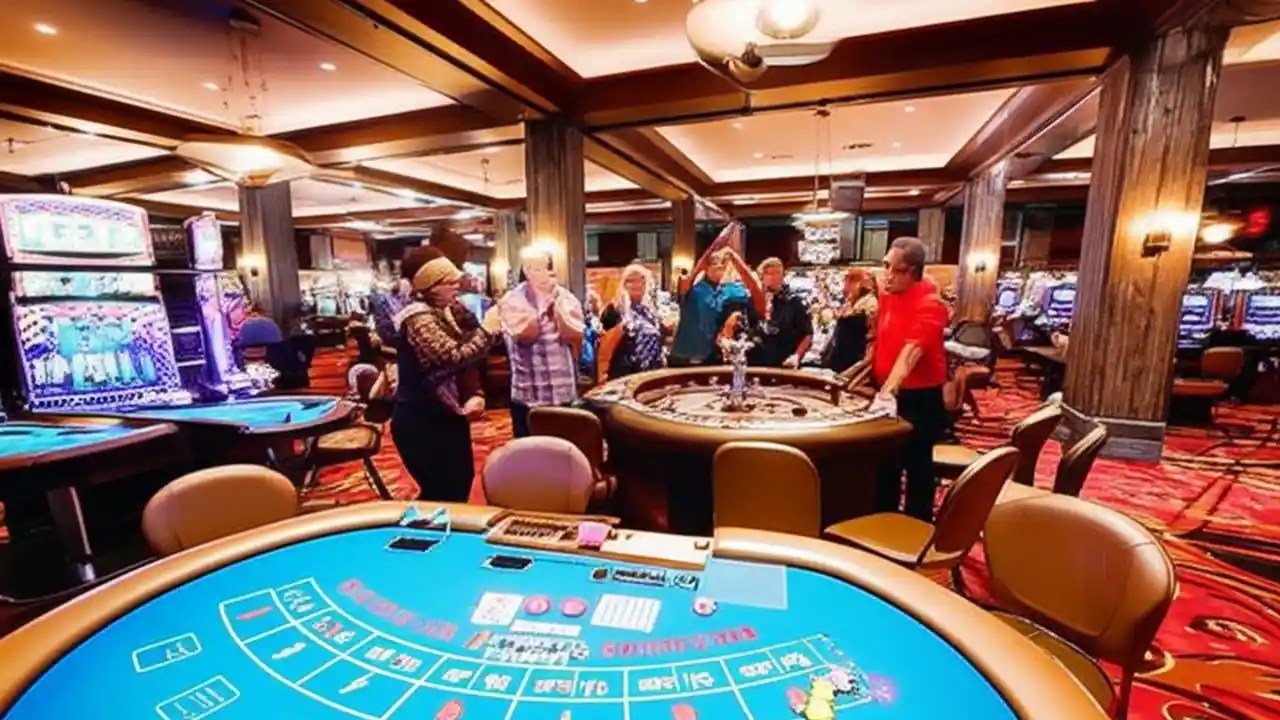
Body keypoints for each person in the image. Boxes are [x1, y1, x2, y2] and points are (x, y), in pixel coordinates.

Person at [391, 247, 500, 502]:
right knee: (441, 493)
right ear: (430, 286)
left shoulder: (450, 310)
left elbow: (472, 354)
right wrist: (488, 330)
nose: (456, 285)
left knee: (459, 484)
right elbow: (453, 356)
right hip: (420, 420)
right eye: (448, 282)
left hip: (447, 413)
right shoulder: (417, 318)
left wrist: (475, 392)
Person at [870, 237, 949, 522]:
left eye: (897, 270)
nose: (887, 276)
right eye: (886, 266)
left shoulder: (931, 304)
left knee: (917, 466)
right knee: (885, 463)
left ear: (914, 272)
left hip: (920, 399)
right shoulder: (888, 296)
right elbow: (882, 344)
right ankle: (883, 520)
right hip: (891, 392)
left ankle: (916, 527)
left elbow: (910, 354)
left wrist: (887, 393)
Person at [498, 247, 585, 438]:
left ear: (550, 269)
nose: (533, 272)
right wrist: (541, 307)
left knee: (563, 450)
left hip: (562, 392)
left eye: (539, 267)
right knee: (530, 454)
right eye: (529, 267)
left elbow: (574, 335)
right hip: (529, 393)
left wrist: (558, 311)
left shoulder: (565, 296)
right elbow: (526, 335)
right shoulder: (512, 299)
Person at [669, 223, 764, 366]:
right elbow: (694, 273)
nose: (718, 268)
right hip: (684, 355)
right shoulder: (692, 289)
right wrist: (717, 245)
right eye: (714, 265)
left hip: (711, 356)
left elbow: (754, 291)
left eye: (722, 265)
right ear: (706, 268)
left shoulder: (727, 291)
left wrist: (733, 256)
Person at [599, 264, 667, 381]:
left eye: (641, 281)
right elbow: (605, 347)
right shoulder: (615, 310)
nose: (637, 285)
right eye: (631, 281)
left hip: (652, 372)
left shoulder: (649, 312)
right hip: (625, 374)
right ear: (624, 283)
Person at [745, 257, 812, 368]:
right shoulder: (752, 300)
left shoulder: (794, 301)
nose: (774, 277)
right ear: (762, 276)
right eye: (769, 274)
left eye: (777, 273)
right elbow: (746, 329)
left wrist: (797, 356)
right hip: (755, 364)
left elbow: (807, 333)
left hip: (784, 363)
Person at [823, 267, 879, 373]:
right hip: (840, 356)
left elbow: (868, 331)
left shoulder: (869, 303)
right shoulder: (851, 301)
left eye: (850, 280)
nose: (845, 284)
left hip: (854, 356)